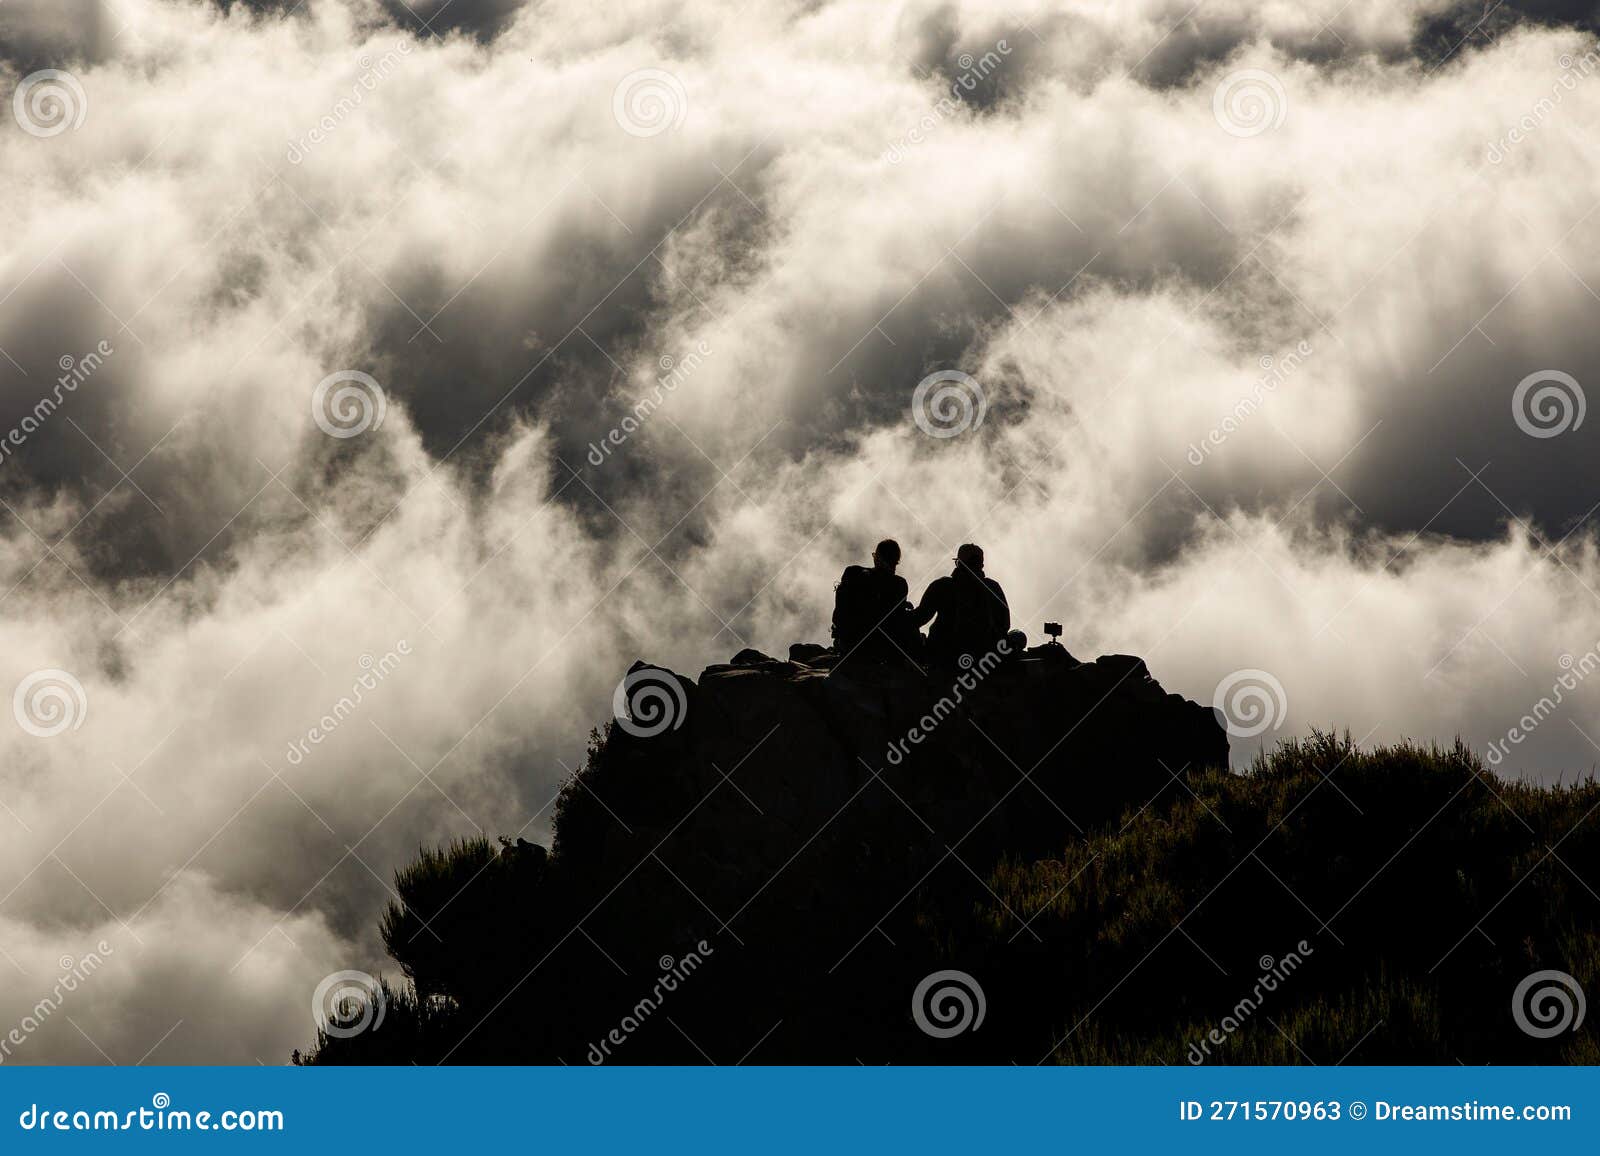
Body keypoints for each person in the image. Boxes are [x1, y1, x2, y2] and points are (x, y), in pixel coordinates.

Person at [910, 543, 1009, 669]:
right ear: (981, 565)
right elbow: (1005, 625)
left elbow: (920, 617)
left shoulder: (943, 586)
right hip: (982, 662)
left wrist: (898, 616)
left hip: (943, 660)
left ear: (959, 563)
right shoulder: (993, 588)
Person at [831, 539, 919, 666]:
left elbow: (838, 615)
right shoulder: (899, 584)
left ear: (877, 558)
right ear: (894, 561)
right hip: (880, 648)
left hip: (848, 644)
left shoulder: (852, 572)